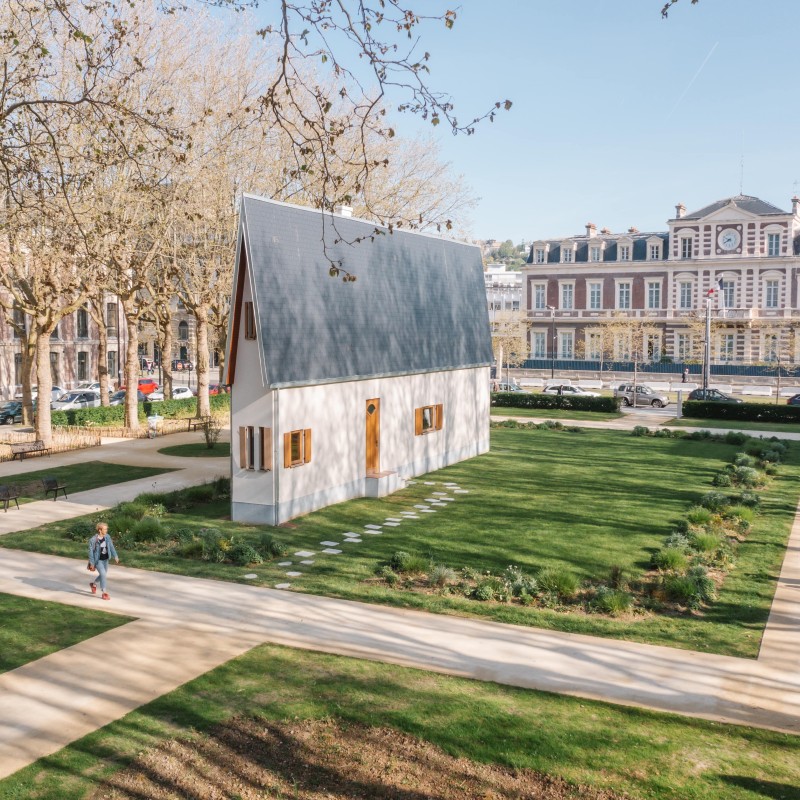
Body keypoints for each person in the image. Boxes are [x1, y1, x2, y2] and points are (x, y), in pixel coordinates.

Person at [88, 522, 119, 601]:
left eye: (106, 529)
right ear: (100, 530)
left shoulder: (107, 537)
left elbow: (111, 547)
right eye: (105, 529)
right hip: (98, 561)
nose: (106, 530)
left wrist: (115, 556)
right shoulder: (93, 540)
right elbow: (91, 553)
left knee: (103, 575)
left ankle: (94, 584)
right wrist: (92, 563)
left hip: (106, 560)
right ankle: (104, 593)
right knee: (103, 574)